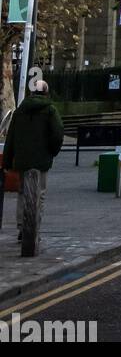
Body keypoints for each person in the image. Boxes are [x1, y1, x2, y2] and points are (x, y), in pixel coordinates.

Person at [1, 80, 64, 243]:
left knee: (23, 192)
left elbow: (11, 138)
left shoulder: (19, 111)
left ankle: (22, 227)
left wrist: (7, 162)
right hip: (41, 160)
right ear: (46, 92)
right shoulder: (50, 110)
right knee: (39, 194)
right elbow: (58, 134)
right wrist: (52, 151)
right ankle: (34, 227)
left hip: (22, 160)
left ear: (31, 93)